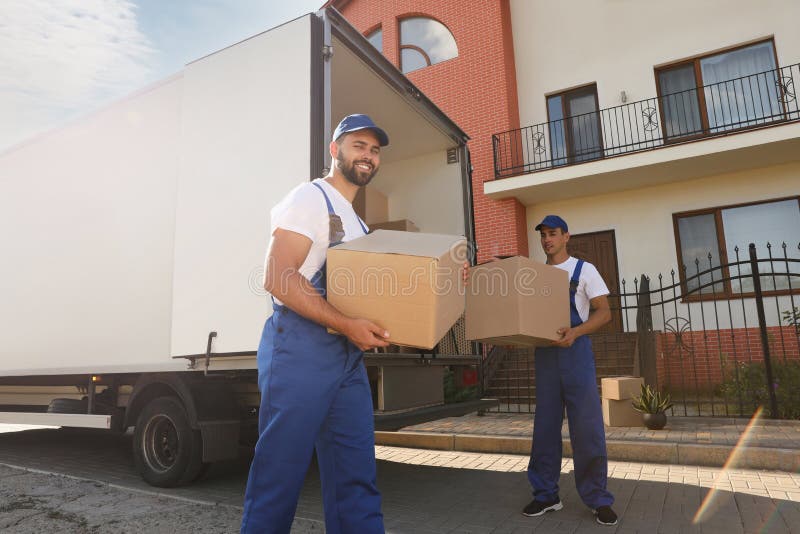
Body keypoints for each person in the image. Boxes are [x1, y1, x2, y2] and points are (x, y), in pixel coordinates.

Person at [241, 114, 392, 534]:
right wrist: (346, 325)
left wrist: (446, 277)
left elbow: (376, 293)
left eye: (374, 150)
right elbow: (279, 277)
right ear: (335, 150)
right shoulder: (310, 199)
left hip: (345, 358)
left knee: (355, 473)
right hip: (300, 349)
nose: (367, 155)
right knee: (281, 471)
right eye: (358, 145)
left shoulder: (360, 226)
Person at [522, 215, 619, 526]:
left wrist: (576, 332)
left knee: (587, 428)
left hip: (576, 353)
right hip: (546, 356)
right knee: (545, 428)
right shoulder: (534, 275)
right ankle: (546, 495)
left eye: (553, 234)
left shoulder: (584, 270)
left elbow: (604, 313)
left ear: (566, 237)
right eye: (543, 235)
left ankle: (598, 498)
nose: (547, 240)